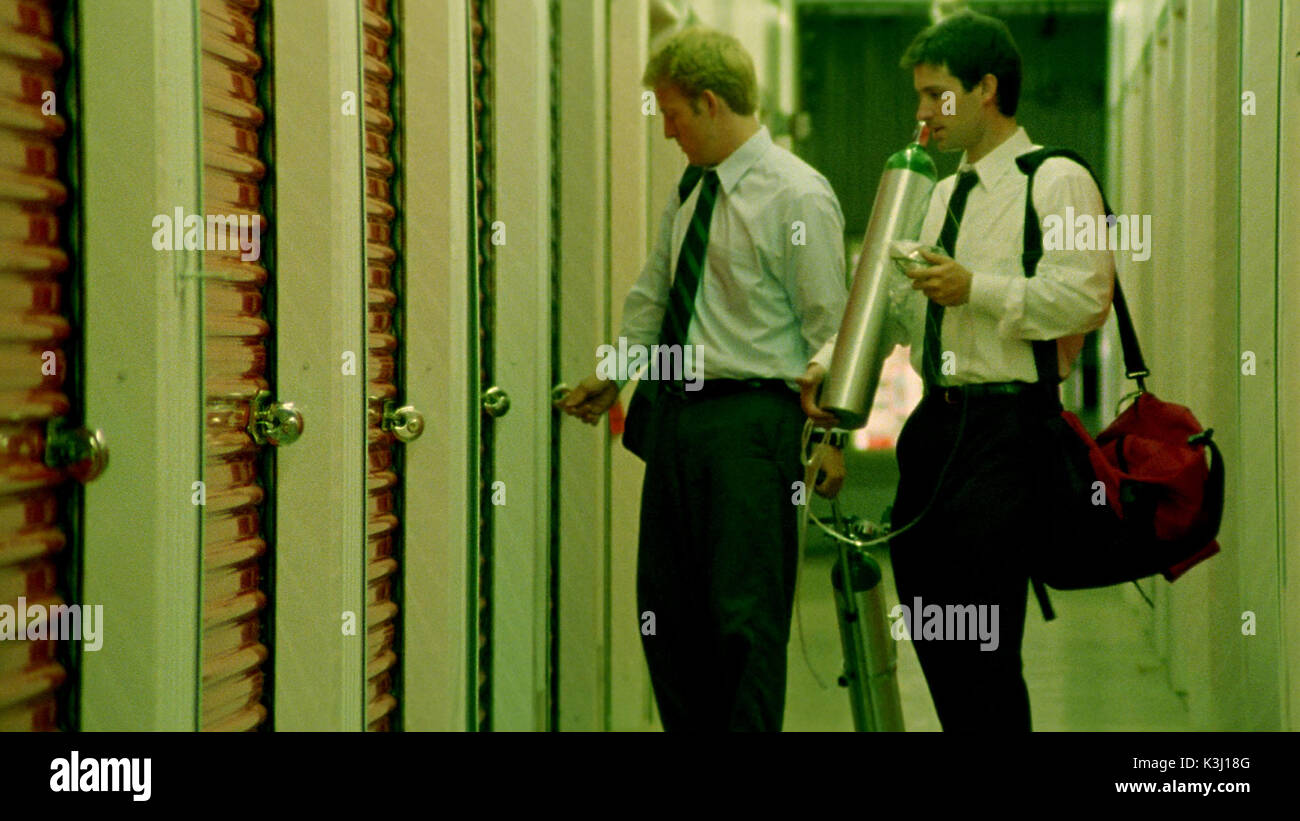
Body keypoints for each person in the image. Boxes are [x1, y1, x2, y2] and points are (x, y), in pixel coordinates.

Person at [800, 10, 1114, 731]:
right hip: (935, 430)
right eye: (918, 96)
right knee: (934, 628)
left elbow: (1086, 294)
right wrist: (831, 366)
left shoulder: (1055, 180)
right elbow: (903, 313)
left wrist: (978, 288)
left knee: (984, 644)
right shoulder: (940, 196)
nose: (921, 114)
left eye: (936, 95)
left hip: (1010, 431)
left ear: (987, 90)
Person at [557, 26, 848, 731]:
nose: (666, 132)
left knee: (744, 621)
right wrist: (617, 372)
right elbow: (654, 293)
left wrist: (830, 433)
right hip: (678, 420)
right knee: (666, 612)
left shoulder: (796, 196)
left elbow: (832, 330)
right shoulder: (693, 188)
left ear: (712, 104)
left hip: (753, 428)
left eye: (672, 112)